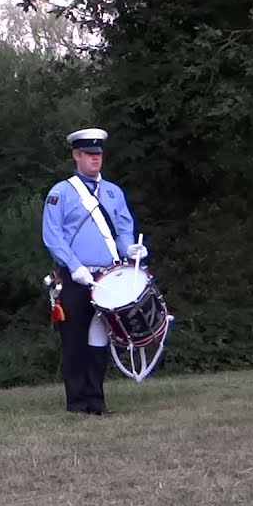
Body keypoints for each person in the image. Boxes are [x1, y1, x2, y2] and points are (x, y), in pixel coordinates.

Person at [41, 128, 146, 415]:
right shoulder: (60, 193)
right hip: (76, 277)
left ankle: (97, 399)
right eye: (89, 154)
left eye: (98, 154)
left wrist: (130, 250)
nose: (95, 159)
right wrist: (74, 267)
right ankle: (77, 402)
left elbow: (124, 230)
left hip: (108, 276)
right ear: (77, 156)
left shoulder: (113, 192)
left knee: (100, 339)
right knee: (74, 340)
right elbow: (53, 236)